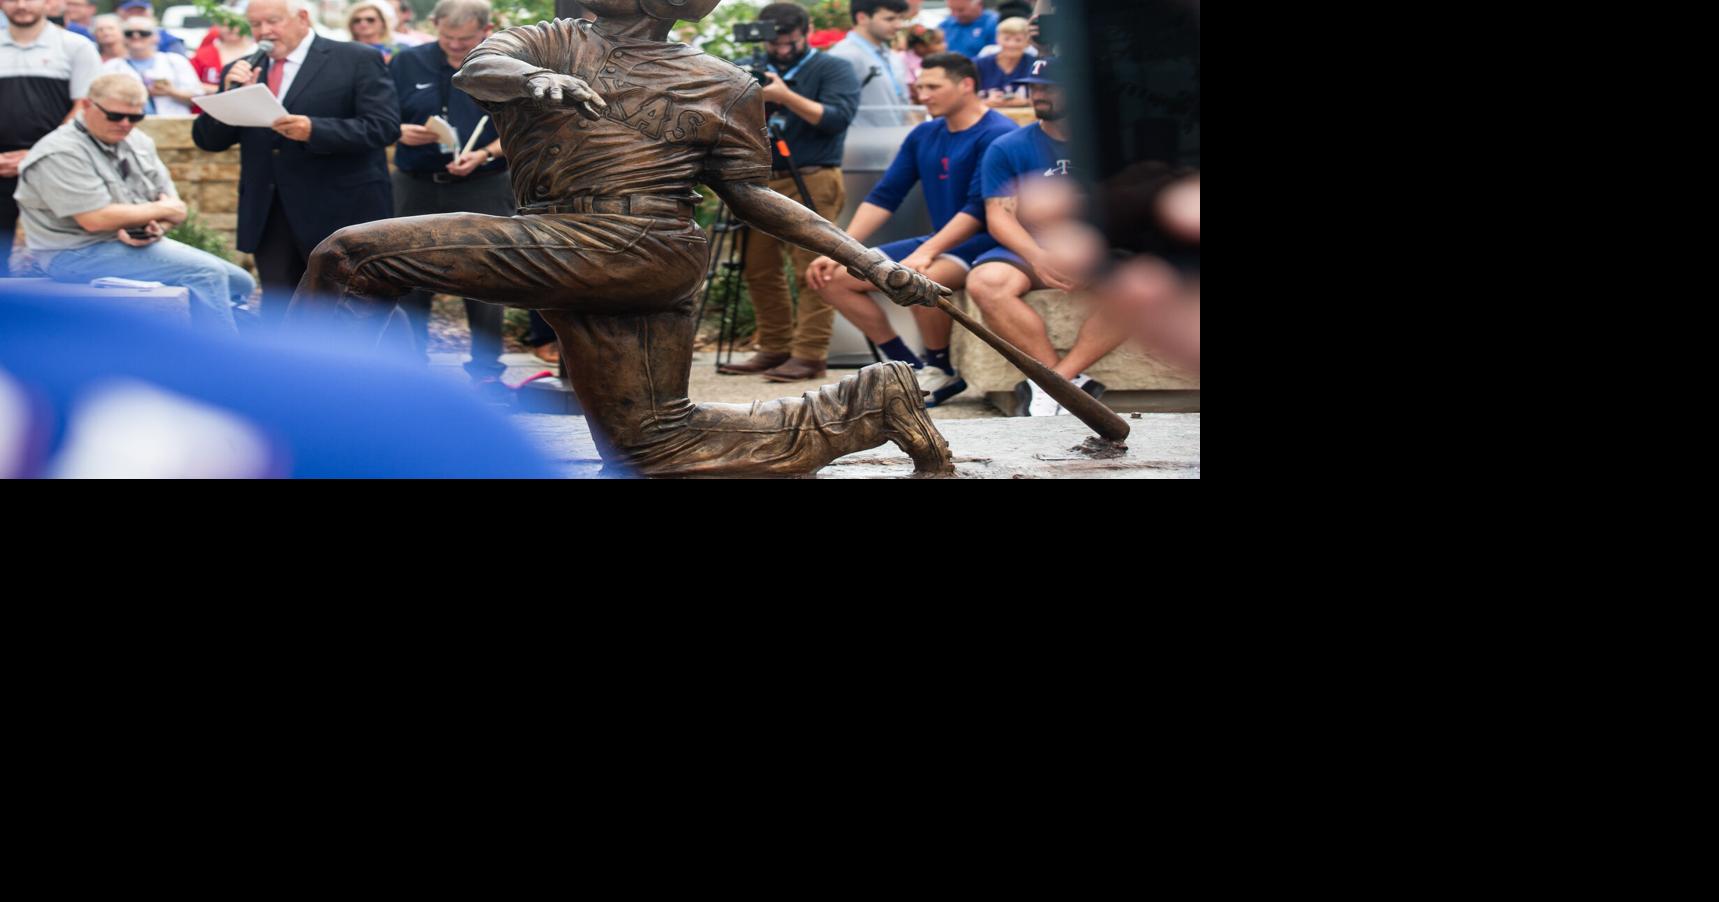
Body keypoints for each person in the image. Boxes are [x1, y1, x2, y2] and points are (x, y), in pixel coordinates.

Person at [288, 0, 956, 478]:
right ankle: (869, 403)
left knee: (351, 256)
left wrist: (869, 260)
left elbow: (755, 197)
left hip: (618, 244)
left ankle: (286, 431)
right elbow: (480, 70)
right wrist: (531, 80)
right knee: (657, 447)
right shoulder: (551, 40)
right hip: (598, 245)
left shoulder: (726, 85)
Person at [805, 52, 1017, 407]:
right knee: (831, 276)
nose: (923, 95)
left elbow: (978, 211)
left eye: (933, 86)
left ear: (966, 85)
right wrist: (841, 246)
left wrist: (928, 251)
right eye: (919, 86)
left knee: (921, 275)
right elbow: (886, 195)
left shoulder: (999, 133)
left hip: (986, 242)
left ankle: (940, 370)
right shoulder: (925, 133)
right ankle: (903, 366)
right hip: (938, 240)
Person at [192, 0, 399, 327]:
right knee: (280, 312)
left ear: (302, 17)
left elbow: (383, 127)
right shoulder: (245, 67)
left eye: (272, 21)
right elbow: (208, 139)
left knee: (347, 312)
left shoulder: (356, 58)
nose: (264, 32)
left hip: (338, 210)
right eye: (255, 25)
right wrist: (232, 91)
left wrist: (314, 130)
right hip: (270, 212)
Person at [14, 74, 253, 333]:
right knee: (206, 275)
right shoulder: (60, 152)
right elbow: (95, 219)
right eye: (115, 116)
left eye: (135, 117)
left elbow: (169, 204)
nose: (125, 124)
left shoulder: (137, 141)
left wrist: (156, 225)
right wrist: (162, 211)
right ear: (86, 106)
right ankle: (220, 362)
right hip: (73, 252)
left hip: (125, 244)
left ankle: (185, 340)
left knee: (241, 282)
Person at [966, 58, 1123, 415]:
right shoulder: (1008, 146)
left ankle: (1057, 383)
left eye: (1051, 86)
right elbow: (999, 216)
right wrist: (1038, 256)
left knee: (1143, 283)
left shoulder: (1112, 144)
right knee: (986, 281)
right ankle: (1065, 385)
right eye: (1035, 87)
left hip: (1102, 248)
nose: (1039, 93)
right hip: (1034, 247)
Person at [715, 1, 859, 381]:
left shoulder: (833, 68)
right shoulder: (749, 67)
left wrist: (784, 96)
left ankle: (810, 354)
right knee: (758, 268)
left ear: (807, 30)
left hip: (811, 177)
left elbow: (837, 119)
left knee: (813, 269)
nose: (781, 50)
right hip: (755, 179)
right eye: (774, 44)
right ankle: (773, 347)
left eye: (789, 43)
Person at [390, 0, 509, 382]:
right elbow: (380, 115)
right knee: (408, 275)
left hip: (484, 184)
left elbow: (529, 130)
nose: (456, 46)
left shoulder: (506, 63)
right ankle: (411, 370)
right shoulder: (407, 63)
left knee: (488, 278)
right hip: (417, 184)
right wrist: (398, 131)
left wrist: (486, 153)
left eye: (466, 39)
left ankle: (487, 372)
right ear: (434, 26)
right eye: (448, 37)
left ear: (486, 30)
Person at [3, 0, 100, 276]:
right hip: (0, 166)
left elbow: (85, 107)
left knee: (68, 256)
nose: (21, 5)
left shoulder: (76, 47)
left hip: (58, 166)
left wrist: (37, 156)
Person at [825, 0, 911, 127]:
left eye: (900, 18)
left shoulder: (892, 56)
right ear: (862, 18)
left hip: (894, 139)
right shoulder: (843, 56)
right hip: (861, 143)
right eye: (890, 19)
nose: (898, 25)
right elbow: (834, 111)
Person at [102, 15, 205, 115]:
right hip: (129, 125)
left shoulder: (175, 61)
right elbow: (102, 99)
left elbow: (198, 97)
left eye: (144, 33)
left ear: (155, 37)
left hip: (173, 125)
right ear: (123, 37)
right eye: (129, 33)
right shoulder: (112, 67)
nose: (136, 36)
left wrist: (171, 92)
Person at [975, 16, 1031, 106]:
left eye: (1018, 40)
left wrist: (1025, 102)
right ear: (997, 39)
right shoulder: (979, 64)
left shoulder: (1035, 65)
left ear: (1028, 42)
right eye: (1006, 39)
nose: (1011, 44)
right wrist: (985, 102)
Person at [189, 21, 256, 88]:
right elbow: (190, 85)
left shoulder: (256, 51)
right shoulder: (204, 54)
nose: (231, 28)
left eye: (236, 24)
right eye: (226, 25)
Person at [113, 1, 186, 56]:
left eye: (141, 11)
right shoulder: (109, 38)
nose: (136, 15)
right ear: (120, 13)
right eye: (131, 11)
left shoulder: (168, 41)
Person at [902, 24, 942, 89]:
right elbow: (910, 85)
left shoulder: (936, 59)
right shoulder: (903, 59)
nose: (945, 45)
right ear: (920, 47)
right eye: (938, 43)